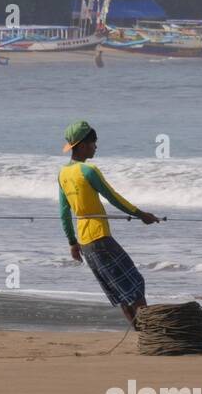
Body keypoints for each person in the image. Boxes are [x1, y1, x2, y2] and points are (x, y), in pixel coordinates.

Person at [57, 120, 161, 328]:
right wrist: (141, 214)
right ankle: (150, 334)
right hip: (100, 238)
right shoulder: (88, 170)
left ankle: (142, 334)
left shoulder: (63, 174)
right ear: (84, 145)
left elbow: (64, 212)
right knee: (134, 284)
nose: (96, 147)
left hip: (86, 243)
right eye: (94, 143)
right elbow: (113, 197)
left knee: (120, 291)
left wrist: (72, 242)